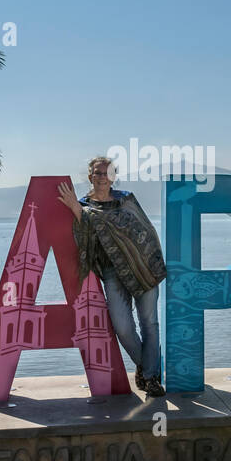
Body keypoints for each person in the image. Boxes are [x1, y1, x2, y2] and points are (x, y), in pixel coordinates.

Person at [58, 156, 167, 397]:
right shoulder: (84, 205)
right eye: (98, 173)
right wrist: (79, 211)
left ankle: (150, 379)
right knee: (123, 327)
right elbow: (84, 236)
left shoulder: (126, 199)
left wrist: (81, 213)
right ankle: (147, 367)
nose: (102, 177)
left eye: (107, 173)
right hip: (112, 271)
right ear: (90, 177)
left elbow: (144, 228)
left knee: (150, 324)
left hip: (143, 267)